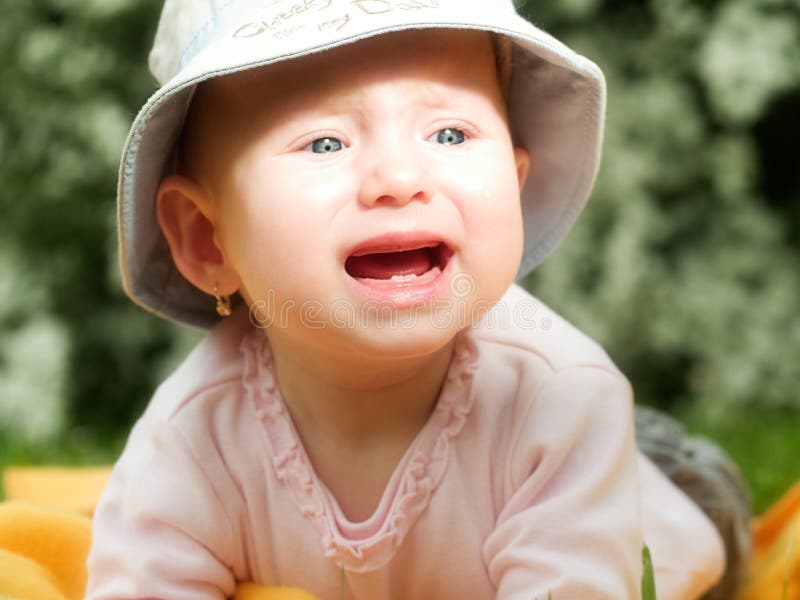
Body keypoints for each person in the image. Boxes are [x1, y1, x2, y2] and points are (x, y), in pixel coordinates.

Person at [86, 1, 741, 598]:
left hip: (644, 515)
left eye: (449, 135)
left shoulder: (560, 399)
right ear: (207, 238)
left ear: (513, 188)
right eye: (325, 143)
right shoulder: (196, 433)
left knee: (680, 494)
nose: (400, 180)